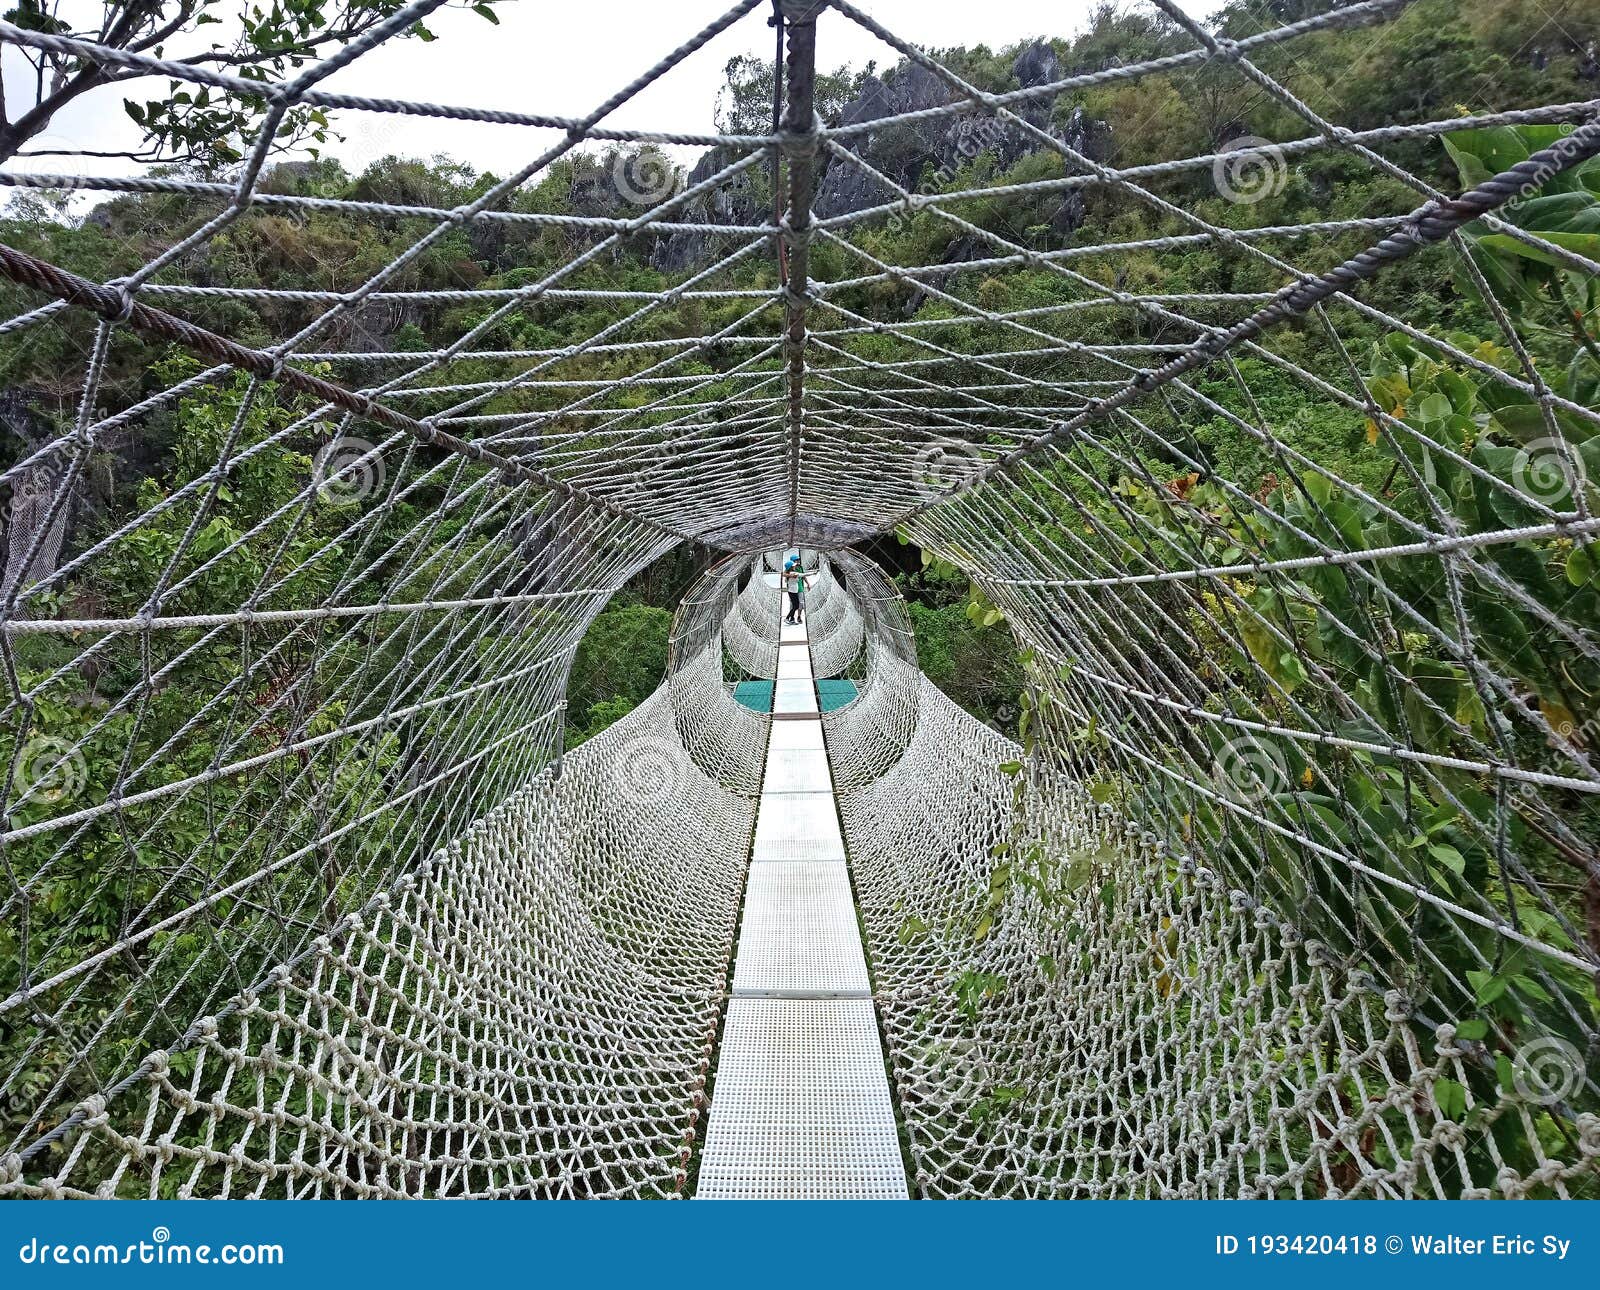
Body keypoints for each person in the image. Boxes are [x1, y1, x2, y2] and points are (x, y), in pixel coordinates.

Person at [783, 556, 808, 625]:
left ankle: (794, 618)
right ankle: (789, 618)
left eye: (798, 560)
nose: (798, 561)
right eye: (796, 560)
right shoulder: (792, 573)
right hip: (792, 591)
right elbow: (784, 574)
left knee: (797, 605)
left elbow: (802, 575)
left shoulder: (798, 568)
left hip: (797, 590)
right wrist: (791, 576)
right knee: (795, 605)